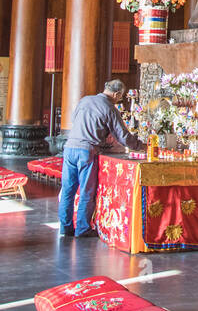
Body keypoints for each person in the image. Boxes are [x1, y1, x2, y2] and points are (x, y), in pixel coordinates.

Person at [58, 79, 140, 239]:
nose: (119, 99)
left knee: (68, 190)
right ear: (116, 94)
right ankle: (82, 229)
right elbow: (122, 136)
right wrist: (140, 145)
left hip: (69, 147)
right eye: (120, 97)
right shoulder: (109, 108)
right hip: (86, 151)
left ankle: (65, 227)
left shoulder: (85, 100)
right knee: (86, 192)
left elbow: (75, 120)